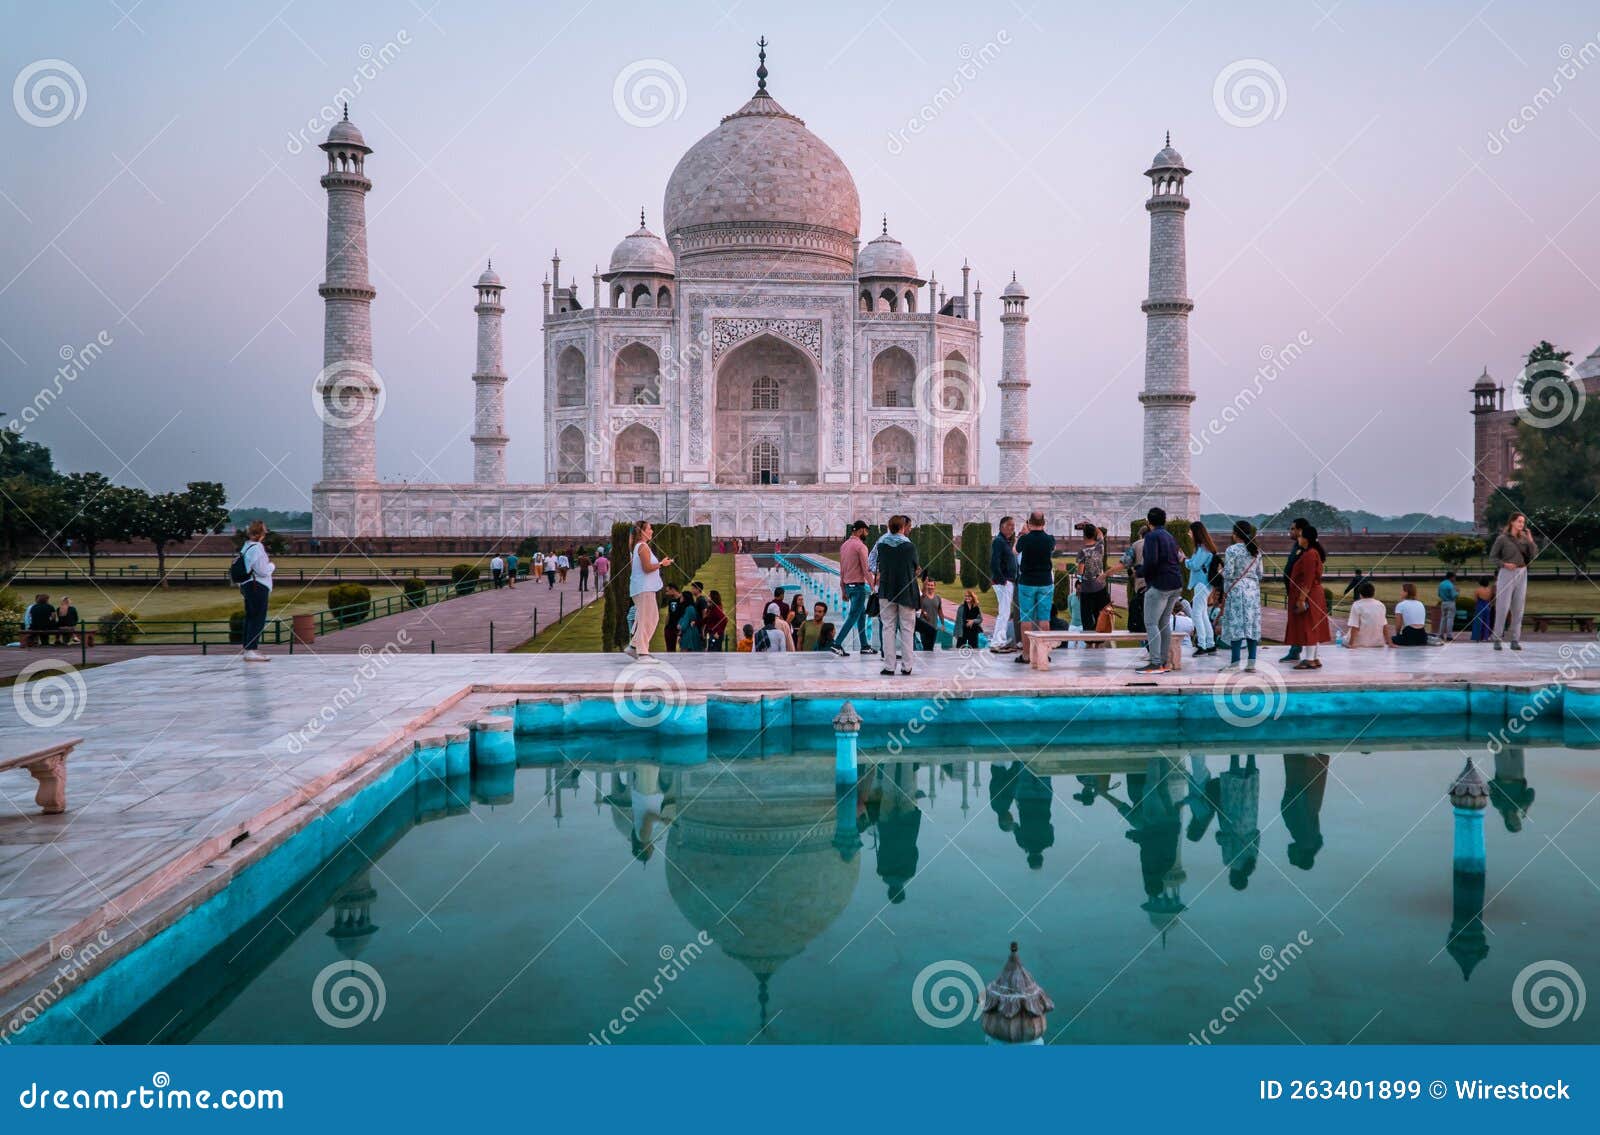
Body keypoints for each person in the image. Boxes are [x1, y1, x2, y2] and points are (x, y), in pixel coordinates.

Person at [1136, 508, 1185, 675]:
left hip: (1160, 584)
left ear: (1149, 523)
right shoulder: (1170, 536)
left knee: (1151, 623)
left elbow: (1151, 562)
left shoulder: (1151, 536)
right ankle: (1164, 661)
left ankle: (1156, 662)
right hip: (1175, 583)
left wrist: (1139, 572)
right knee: (1163, 622)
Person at [873, 514, 921, 676]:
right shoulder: (909, 547)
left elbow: (874, 565)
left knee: (888, 628)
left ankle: (889, 666)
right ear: (902, 527)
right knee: (907, 629)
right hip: (906, 590)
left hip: (886, 590)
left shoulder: (882, 546)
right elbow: (916, 567)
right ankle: (907, 666)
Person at [1218, 521, 1264, 672]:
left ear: (1235, 534)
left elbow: (1229, 573)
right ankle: (1251, 663)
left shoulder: (1232, 550)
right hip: (1252, 590)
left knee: (1236, 625)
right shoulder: (1256, 550)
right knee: (1252, 625)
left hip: (1237, 590)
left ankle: (1235, 662)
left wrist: (1221, 571)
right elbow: (1260, 574)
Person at [1285, 524, 1330, 669]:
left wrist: (1301, 599)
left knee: (1309, 625)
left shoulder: (1310, 554)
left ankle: (1309, 659)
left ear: (1306, 539)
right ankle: (1314, 658)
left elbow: (1308, 579)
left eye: (1300, 536)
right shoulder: (1312, 552)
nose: (1298, 539)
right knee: (1313, 625)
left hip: (1309, 594)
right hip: (1313, 593)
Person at [1489, 513, 1537, 651]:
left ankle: (1515, 639)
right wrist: (1504, 564)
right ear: (1512, 522)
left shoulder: (1524, 539)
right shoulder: (1502, 539)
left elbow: (1533, 555)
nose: (1522, 524)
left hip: (1522, 573)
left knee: (1518, 609)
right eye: (1519, 521)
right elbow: (1492, 557)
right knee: (1503, 607)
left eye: (1523, 522)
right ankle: (1497, 638)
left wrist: (1530, 539)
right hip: (1507, 573)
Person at [627, 520, 672, 662]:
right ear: (642, 531)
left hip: (642, 588)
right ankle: (642, 653)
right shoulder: (642, 546)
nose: (652, 531)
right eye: (650, 528)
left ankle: (633, 647)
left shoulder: (639, 546)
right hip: (644, 589)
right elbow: (647, 568)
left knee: (645, 618)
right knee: (649, 619)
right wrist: (661, 564)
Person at [1014, 512, 1054, 666]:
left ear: (1029, 522)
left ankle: (1026, 654)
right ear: (1044, 523)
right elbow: (1050, 548)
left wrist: (1022, 533)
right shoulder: (1050, 539)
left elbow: (1015, 551)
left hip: (1027, 582)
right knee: (1044, 619)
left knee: (1026, 619)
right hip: (1045, 581)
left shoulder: (1025, 539)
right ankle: (1044, 654)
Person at [835, 521, 876, 656]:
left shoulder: (844, 546)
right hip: (857, 586)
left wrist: (843, 589)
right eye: (866, 531)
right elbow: (866, 569)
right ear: (860, 530)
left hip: (848, 585)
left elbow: (842, 570)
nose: (867, 534)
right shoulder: (861, 546)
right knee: (853, 616)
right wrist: (873, 586)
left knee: (861, 615)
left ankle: (864, 645)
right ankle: (837, 644)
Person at [239, 519, 275, 662]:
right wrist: (272, 566)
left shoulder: (246, 546)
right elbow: (262, 571)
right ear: (261, 533)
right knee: (257, 618)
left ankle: (248, 648)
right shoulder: (258, 547)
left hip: (248, 585)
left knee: (250, 617)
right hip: (257, 586)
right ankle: (250, 650)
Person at [1186, 521, 1219, 655]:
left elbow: (1194, 565)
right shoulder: (1204, 548)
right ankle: (1209, 643)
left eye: (1190, 531)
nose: (1189, 534)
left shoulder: (1203, 549)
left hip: (1201, 583)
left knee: (1196, 614)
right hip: (1204, 583)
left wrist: (1184, 560)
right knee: (1203, 614)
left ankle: (1202, 644)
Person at [1278, 517, 1308, 663]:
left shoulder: (1304, 548)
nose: (1290, 531)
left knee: (1301, 622)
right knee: (1295, 622)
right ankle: (1294, 650)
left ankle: (1299, 652)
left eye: (1292, 528)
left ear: (1300, 530)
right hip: (1293, 590)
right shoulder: (1297, 546)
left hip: (1300, 591)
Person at [988, 516, 1019, 653]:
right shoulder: (999, 542)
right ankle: (997, 642)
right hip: (1003, 581)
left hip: (1006, 581)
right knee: (1004, 612)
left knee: (1005, 612)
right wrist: (1002, 579)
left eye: (1013, 525)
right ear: (1002, 526)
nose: (1012, 528)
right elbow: (994, 562)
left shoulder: (1004, 541)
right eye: (1009, 525)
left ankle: (1000, 640)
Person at [1076, 523, 1111, 637]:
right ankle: (1100, 640)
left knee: (1086, 617)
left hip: (1087, 588)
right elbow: (1100, 534)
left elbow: (1080, 571)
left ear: (1084, 535)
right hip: (1100, 585)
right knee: (1100, 615)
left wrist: (1079, 583)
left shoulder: (1083, 551)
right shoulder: (1100, 546)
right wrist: (1090, 525)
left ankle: (1089, 641)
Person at [1343, 581, 1389, 647]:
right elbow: (1385, 625)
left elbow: (1354, 626)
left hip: (1359, 643)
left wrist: (1351, 644)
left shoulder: (1357, 605)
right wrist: (1389, 642)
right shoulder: (1381, 605)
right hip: (1377, 643)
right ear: (1374, 593)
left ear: (1360, 594)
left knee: (1343, 639)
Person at [1123, 522, 1149, 637]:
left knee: (1143, 615)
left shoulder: (1136, 545)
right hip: (1159, 585)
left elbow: (1126, 562)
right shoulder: (1160, 543)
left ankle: (1149, 647)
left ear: (1140, 535)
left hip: (1142, 583)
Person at [1392, 582, 1430, 646]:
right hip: (1422, 636)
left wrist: (1397, 636)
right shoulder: (1420, 603)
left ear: (1406, 592)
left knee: (1391, 639)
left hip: (1410, 635)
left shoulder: (1400, 605)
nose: (1400, 593)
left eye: (1402, 591)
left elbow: (1398, 625)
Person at [915, 579, 943, 652]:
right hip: (924, 625)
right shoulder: (923, 597)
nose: (930, 587)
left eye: (932, 585)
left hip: (934, 625)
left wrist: (942, 623)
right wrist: (923, 612)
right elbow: (919, 607)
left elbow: (940, 611)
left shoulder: (938, 598)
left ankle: (929, 662)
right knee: (925, 646)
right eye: (929, 585)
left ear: (934, 586)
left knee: (931, 647)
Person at [1470, 577, 1495, 642]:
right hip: (1487, 606)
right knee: (1486, 622)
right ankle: (1485, 637)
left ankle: (1477, 637)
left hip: (1479, 605)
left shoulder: (1477, 590)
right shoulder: (1489, 590)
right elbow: (1490, 599)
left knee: (1478, 622)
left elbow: (1475, 600)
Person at [663, 584, 685, 653]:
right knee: (670, 649)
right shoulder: (671, 601)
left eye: (667, 591)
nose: (666, 593)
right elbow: (669, 614)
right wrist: (666, 626)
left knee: (683, 647)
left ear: (673, 590)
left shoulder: (684, 599)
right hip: (670, 628)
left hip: (680, 627)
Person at [1437, 571, 1458, 639]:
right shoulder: (1451, 585)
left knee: (1443, 619)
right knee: (1450, 619)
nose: (1455, 579)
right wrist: (1457, 592)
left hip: (1443, 602)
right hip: (1451, 603)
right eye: (1454, 577)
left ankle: (1441, 634)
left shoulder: (1441, 584)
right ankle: (1449, 635)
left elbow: (1439, 594)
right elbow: (1453, 596)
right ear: (1451, 577)